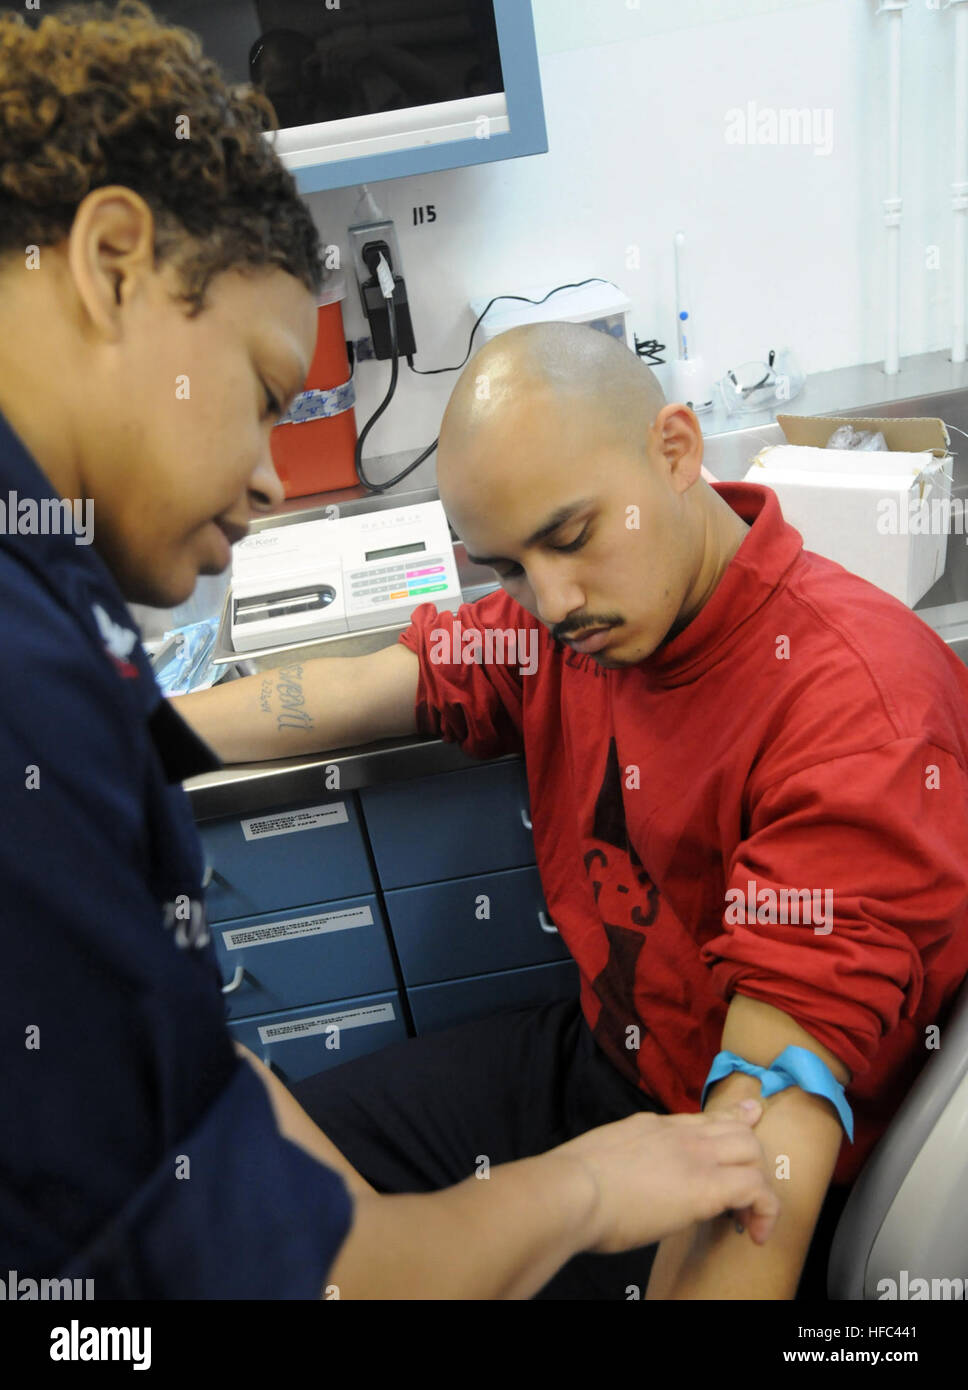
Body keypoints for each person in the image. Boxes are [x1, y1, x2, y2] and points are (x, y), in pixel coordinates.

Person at [0, 0, 781, 1300]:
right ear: (114, 261)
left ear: (678, 451)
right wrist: (592, 1188)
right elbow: (305, 1276)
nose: (265, 478)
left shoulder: (53, 597)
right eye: (261, 393)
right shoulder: (27, 680)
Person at [179, 320, 968, 1300]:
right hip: (604, 1070)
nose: (548, 601)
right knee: (230, 1167)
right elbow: (364, 684)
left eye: (569, 536)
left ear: (674, 450)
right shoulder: (571, 624)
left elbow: (764, 1134)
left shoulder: (853, 716)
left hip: (735, 1144)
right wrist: (120, 725)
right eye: (506, 566)